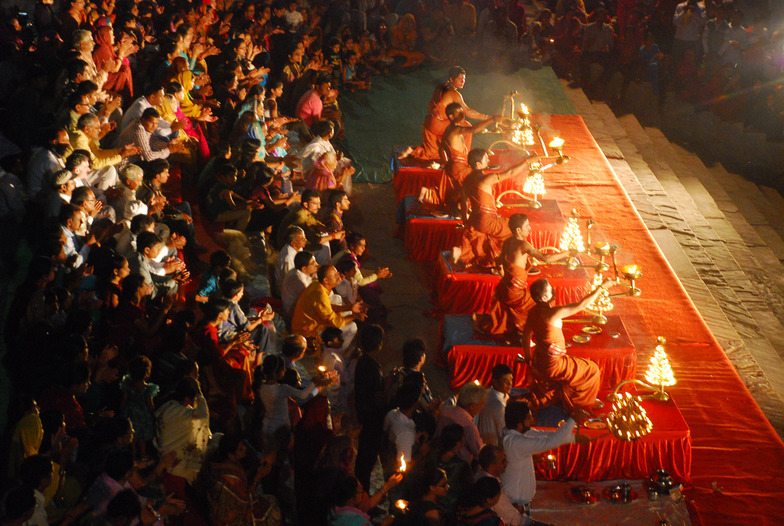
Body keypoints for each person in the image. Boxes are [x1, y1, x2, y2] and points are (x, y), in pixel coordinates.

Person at [521, 278, 613, 416]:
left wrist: (529, 358)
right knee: (591, 369)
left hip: (539, 360)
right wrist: (601, 287)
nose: (554, 290)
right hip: (554, 365)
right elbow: (582, 305)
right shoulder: (552, 313)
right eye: (550, 289)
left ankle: (568, 397)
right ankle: (581, 407)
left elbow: (525, 335)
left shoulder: (533, 311)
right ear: (544, 297)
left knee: (577, 364)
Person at [475, 213, 569, 341]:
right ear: (518, 230)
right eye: (527, 226)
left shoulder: (508, 242)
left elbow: (499, 262)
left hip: (505, 287)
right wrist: (568, 253)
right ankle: (536, 331)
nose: (530, 229)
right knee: (548, 299)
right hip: (515, 292)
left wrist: (506, 278)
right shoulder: (523, 245)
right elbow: (546, 258)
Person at [501, 400, 588, 515]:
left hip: (519, 500)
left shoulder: (517, 433)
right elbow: (551, 442)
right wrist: (573, 420)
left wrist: (575, 439)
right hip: (515, 502)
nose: (532, 421)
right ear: (519, 424)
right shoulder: (515, 442)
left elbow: (547, 435)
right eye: (529, 418)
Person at [452, 149, 532, 269]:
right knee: (517, 228)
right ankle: (514, 263)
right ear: (478, 164)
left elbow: (464, 203)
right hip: (487, 221)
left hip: (475, 220)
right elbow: (510, 173)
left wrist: (466, 221)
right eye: (486, 158)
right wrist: (528, 161)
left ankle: (460, 251)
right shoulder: (485, 179)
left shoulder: (467, 180)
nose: (489, 160)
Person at [419, 103, 500, 212]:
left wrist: (447, 163)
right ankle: (469, 208)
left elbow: (441, 149)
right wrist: (492, 119)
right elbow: (474, 129)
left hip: (454, 166)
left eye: (463, 111)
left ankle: (428, 193)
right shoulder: (455, 130)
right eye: (459, 112)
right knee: (479, 182)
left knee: (460, 190)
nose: (463, 114)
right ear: (451, 117)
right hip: (460, 167)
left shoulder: (449, 130)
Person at [417, 66, 490, 161]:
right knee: (466, 126)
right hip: (438, 125)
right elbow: (468, 112)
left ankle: (410, 151)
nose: (462, 81)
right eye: (459, 79)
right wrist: (488, 118)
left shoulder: (441, 87)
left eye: (463, 79)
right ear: (451, 79)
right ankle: (463, 157)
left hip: (429, 123)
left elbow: (431, 107)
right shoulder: (454, 94)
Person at [291, 265, 366, 348]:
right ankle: (336, 352)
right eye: (335, 275)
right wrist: (355, 316)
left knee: (339, 300)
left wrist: (350, 307)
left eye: (337, 273)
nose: (338, 276)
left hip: (308, 321)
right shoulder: (321, 295)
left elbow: (327, 307)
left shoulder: (317, 284)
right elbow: (337, 323)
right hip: (308, 331)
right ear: (326, 280)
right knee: (352, 327)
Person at [353, 324, 387, 491]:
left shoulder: (362, 361)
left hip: (363, 414)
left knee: (364, 458)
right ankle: (362, 494)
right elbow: (377, 397)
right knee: (367, 458)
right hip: (371, 419)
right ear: (379, 344)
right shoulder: (373, 367)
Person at [434, 380, 486, 465]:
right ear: (472, 406)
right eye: (482, 403)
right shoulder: (468, 426)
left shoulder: (444, 411)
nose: (483, 406)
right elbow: (479, 451)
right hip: (457, 466)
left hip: (437, 458)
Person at [476, 445, 525, 526]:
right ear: (492, 466)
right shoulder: (491, 487)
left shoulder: (480, 476)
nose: (506, 462)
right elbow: (513, 519)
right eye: (503, 461)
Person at [476, 363, 514, 447]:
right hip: (493, 446)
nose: (510, 383)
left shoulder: (487, 394)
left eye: (511, 380)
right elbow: (503, 432)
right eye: (506, 381)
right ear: (495, 382)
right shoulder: (497, 404)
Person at [281, 250, 318, 321]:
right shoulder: (297, 280)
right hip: (294, 314)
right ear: (304, 268)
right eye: (313, 263)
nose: (316, 264)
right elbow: (310, 299)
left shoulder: (299, 272)